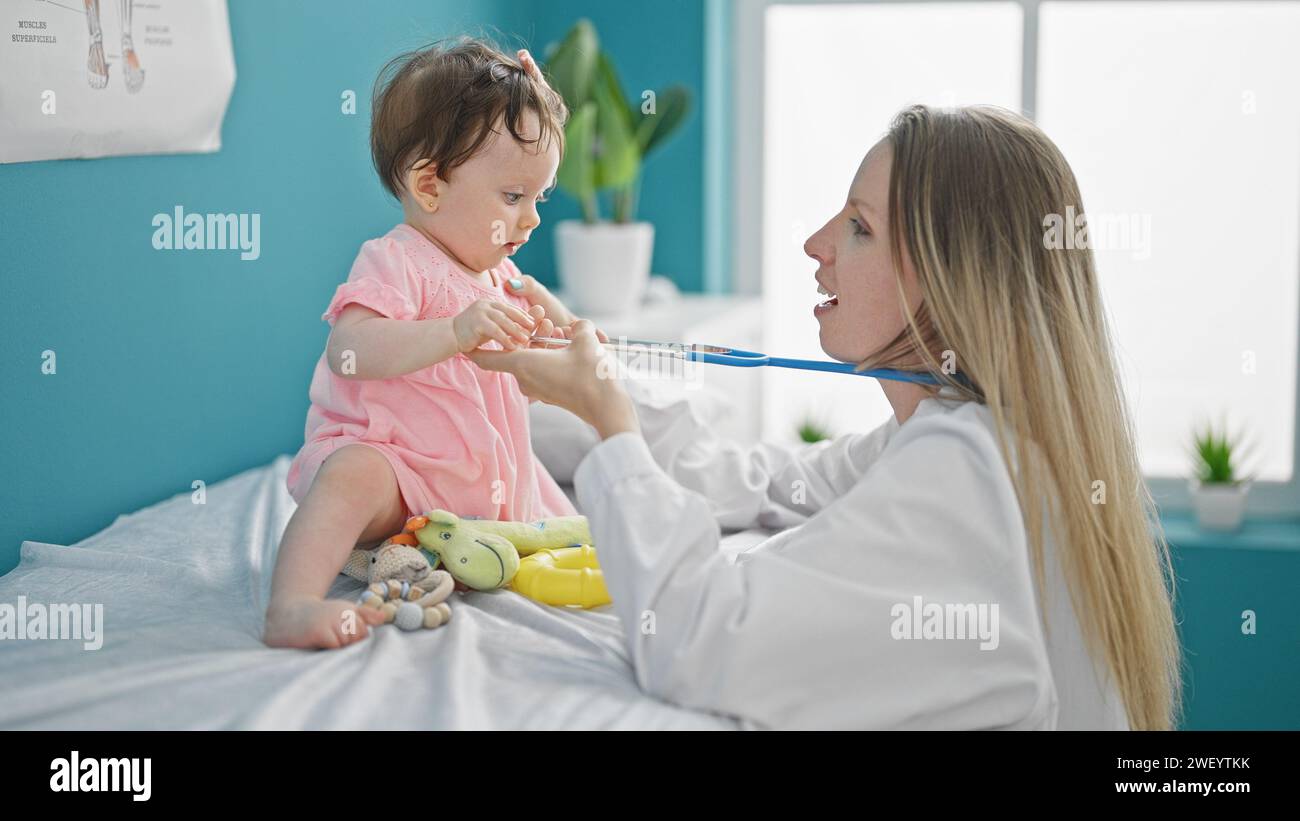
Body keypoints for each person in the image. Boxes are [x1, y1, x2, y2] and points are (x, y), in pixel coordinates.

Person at [469, 104, 1182, 730]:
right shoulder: (962, 435)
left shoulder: (968, 472)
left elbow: (699, 641)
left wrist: (613, 428)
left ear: (951, 274)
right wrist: (598, 390)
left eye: (859, 226)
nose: (817, 243)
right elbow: (767, 483)